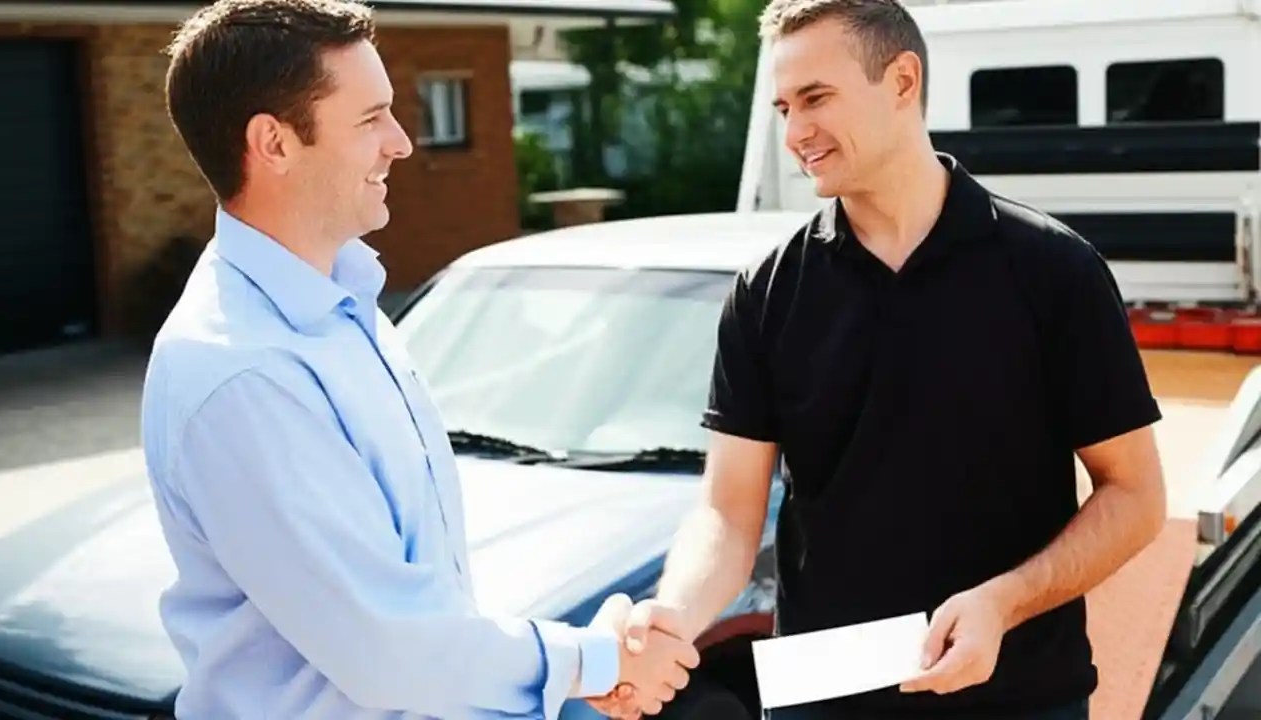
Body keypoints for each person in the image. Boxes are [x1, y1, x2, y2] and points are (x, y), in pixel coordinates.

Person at [600, 0, 1168, 719]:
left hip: (1018, 698)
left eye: (815, 98)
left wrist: (1005, 601)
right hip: (821, 695)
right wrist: (674, 615)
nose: (795, 132)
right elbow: (728, 512)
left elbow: (1136, 496)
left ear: (902, 81)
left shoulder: (1054, 272)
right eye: (783, 107)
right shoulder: (768, 292)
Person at [139, 1, 697, 718]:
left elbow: (419, 606)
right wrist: (596, 661)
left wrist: (581, 666)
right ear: (273, 143)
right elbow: (393, 652)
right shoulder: (241, 371)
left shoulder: (346, 306)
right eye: (371, 119)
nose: (401, 143)